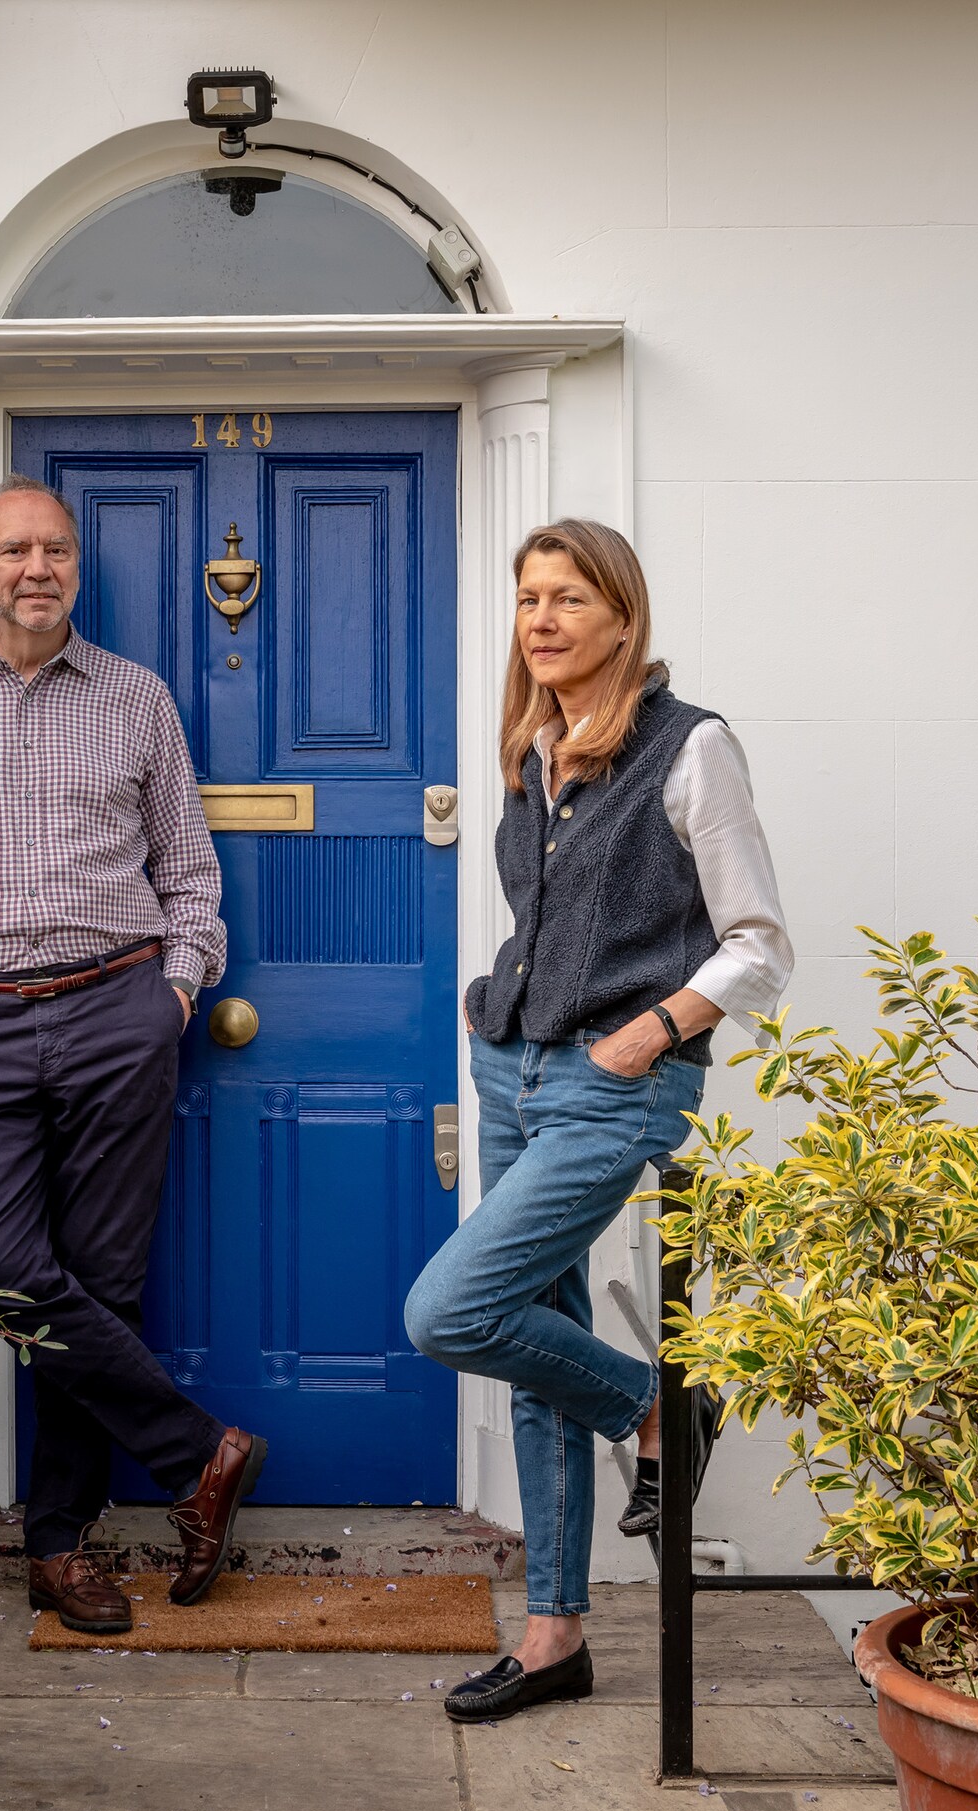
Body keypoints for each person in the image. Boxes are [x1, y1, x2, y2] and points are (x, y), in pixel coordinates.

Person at [0, 473, 267, 1637]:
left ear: (76, 570)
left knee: (104, 1284)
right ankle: (200, 1454)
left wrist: (174, 991)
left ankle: (58, 1548)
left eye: (54, 550)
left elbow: (188, 869)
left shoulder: (136, 701)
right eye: (12, 550)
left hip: (113, 1012)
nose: (34, 568)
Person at [405, 518, 791, 1721]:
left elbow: (759, 947)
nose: (543, 618)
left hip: (613, 1080)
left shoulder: (692, 746)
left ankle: (655, 1407)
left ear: (622, 616)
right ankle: (553, 1637)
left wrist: (652, 1031)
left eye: (568, 597)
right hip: (512, 1066)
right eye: (528, 598)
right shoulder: (534, 751)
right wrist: (489, 1024)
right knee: (530, 1346)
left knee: (450, 1311)